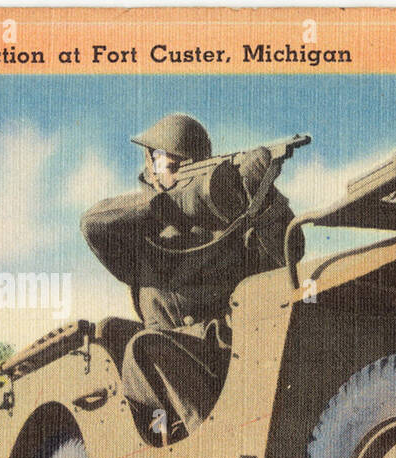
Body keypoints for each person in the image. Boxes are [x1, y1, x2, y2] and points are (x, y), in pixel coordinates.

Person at [81, 112, 299, 440]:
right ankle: (187, 441)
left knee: (146, 347)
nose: (157, 167)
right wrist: (168, 204)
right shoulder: (141, 227)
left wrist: (265, 199)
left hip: (220, 345)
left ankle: (209, 443)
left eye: (167, 161)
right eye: (159, 162)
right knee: (137, 345)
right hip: (162, 355)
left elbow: (288, 255)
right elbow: (92, 223)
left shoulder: (231, 213)